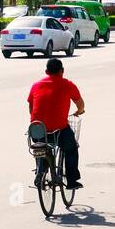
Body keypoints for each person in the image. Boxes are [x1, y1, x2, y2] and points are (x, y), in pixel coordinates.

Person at [27, 58, 85, 189]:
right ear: (62, 71)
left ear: (46, 71)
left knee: (41, 148)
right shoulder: (67, 84)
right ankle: (71, 181)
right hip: (59, 129)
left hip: (37, 129)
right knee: (71, 149)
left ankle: (40, 171)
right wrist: (79, 111)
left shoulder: (36, 85)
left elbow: (31, 107)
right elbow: (80, 104)